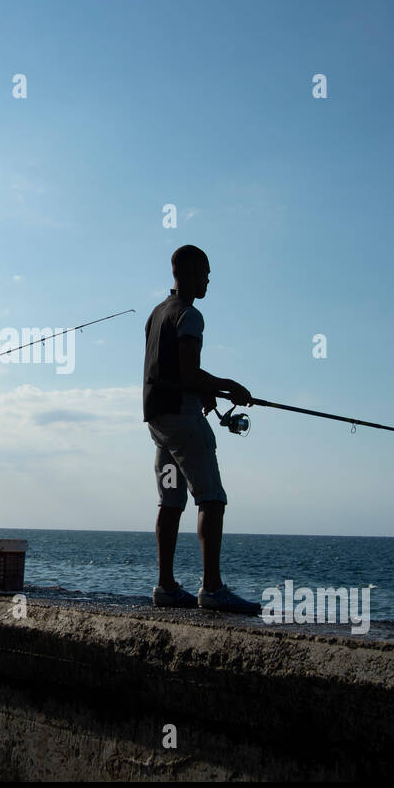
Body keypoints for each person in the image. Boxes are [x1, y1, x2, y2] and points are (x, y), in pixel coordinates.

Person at [143, 245, 261, 614]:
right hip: (183, 419)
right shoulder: (190, 316)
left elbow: (169, 371)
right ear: (189, 272)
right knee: (211, 498)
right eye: (206, 272)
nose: (209, 279)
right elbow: (189, 373)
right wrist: (231, 387)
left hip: (158, 421)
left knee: (170, 501)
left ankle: (165, 586)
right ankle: (212, 589)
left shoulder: (156, 313)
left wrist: (205, 393)